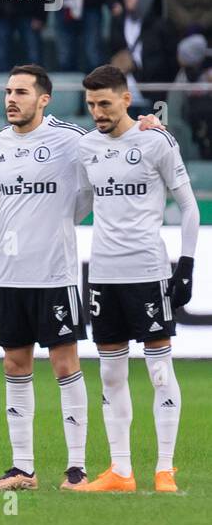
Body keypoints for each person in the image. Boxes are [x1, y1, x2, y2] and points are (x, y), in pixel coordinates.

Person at [74, 66, 197, 493]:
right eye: (91, 105)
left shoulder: (155, 139)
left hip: (147, 270)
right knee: (110, 375)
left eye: (105, 103)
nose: (97, 112)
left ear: (126, 99)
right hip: (103, 274)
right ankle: (121, 472)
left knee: (160, 371)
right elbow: (77, 207)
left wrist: (187, 264)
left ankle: (164, 469)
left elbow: (189, 205)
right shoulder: (86, 146)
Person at [0, 67, 95, 491]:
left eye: (21, 92)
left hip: (55, 273)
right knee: (15, 363)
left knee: (65, 365)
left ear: (44, 99)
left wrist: (149, 126)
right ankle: (22, 469)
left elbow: (91, 186)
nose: (11, 98)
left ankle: (77, 469)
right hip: (10, 275)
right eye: (8, 91)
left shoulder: (71, 139)